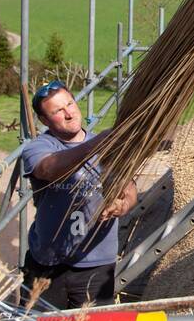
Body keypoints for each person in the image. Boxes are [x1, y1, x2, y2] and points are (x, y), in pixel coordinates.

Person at [19, 80, 137, 308]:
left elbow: (129, 188)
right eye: (58, 111)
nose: (69, 114)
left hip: (96, 265)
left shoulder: (108, 147)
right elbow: (49, 169)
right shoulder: (39, 147)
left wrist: (123, 205)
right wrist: (97, 143)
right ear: (44, 121)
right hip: (48, 265)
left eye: (70, 104)